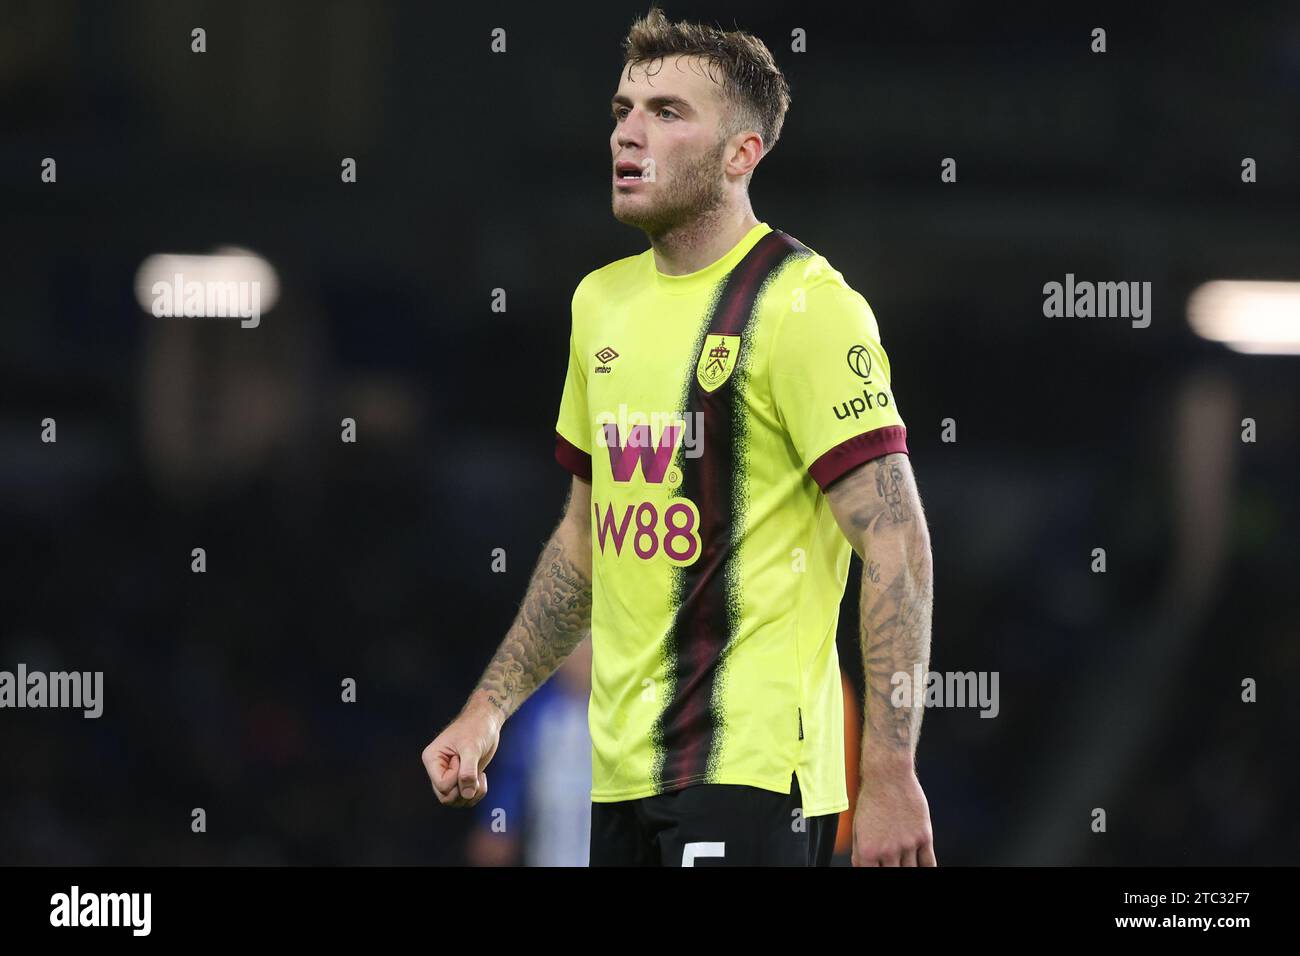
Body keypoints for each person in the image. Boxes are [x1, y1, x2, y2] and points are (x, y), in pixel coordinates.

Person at [424, 6, 936, 867]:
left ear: (743, 153)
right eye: (623, 109)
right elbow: (584, 543)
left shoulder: (807, 306)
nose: (629, 133)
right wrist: (490, 706)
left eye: (667, 112)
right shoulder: (600, 304)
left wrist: (888, 769)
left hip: (750, 772)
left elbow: (896, 540)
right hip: (618, 775)